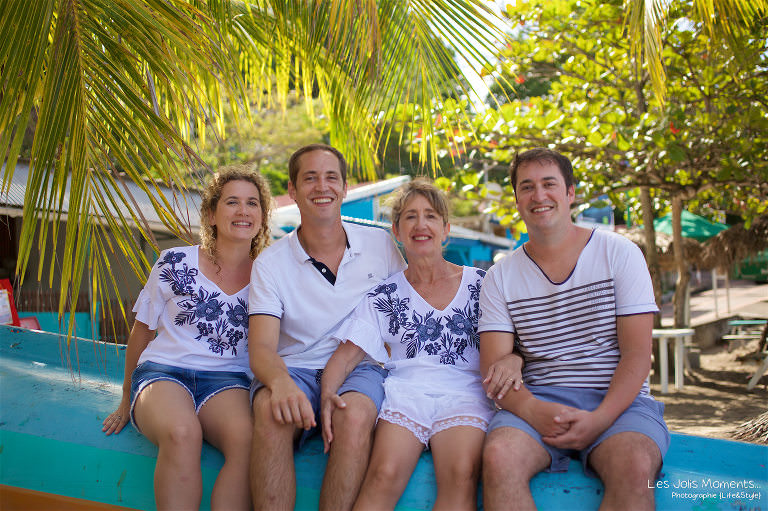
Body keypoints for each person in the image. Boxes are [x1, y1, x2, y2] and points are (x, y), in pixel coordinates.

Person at [478, 148, 670, 510]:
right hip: (538, 401)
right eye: (527, 187)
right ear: (516, 199)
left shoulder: (620, 254)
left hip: (620, 403)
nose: (539, 196)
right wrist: (535, 411)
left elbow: (637, 354)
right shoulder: (500, 277)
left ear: (570, 193)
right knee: (500, 457)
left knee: (635, 466)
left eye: (549, 184)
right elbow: (494, 369)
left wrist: (601, 418)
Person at [321, 179, 519, 511]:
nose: (421, 224)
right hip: (406, 394)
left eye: (430, 215)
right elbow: (345, 358)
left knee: (460, 474)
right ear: (396, 231)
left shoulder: (482, 285)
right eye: (410, 217)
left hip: (467, 393)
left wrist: (515, 360)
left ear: (446, 229)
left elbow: (516, 345)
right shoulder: (384, 295)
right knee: (383, 473)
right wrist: (328, 394)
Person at [102, 166, 273, 510]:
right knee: (183, 433)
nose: (243, 211)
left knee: (248, 442)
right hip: (163, 373)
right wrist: (125, 396)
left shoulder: (272, 276)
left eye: (252, 203)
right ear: (211, 214)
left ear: (262, 216)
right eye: (232, 202)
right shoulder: (175, 262)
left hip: (229, 382)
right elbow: (142, 330)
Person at [247, 143, 406, 510]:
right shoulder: (270, 264)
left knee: (354, 418)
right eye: (310, 178)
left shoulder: (380, 244)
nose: (322, 187)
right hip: (295, 369)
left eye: (331, 177)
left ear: (345, 188)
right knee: (271, 413)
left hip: (361, 368)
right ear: (292, 190)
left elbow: (407, 314)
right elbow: (261, 349)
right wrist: (282, 383)